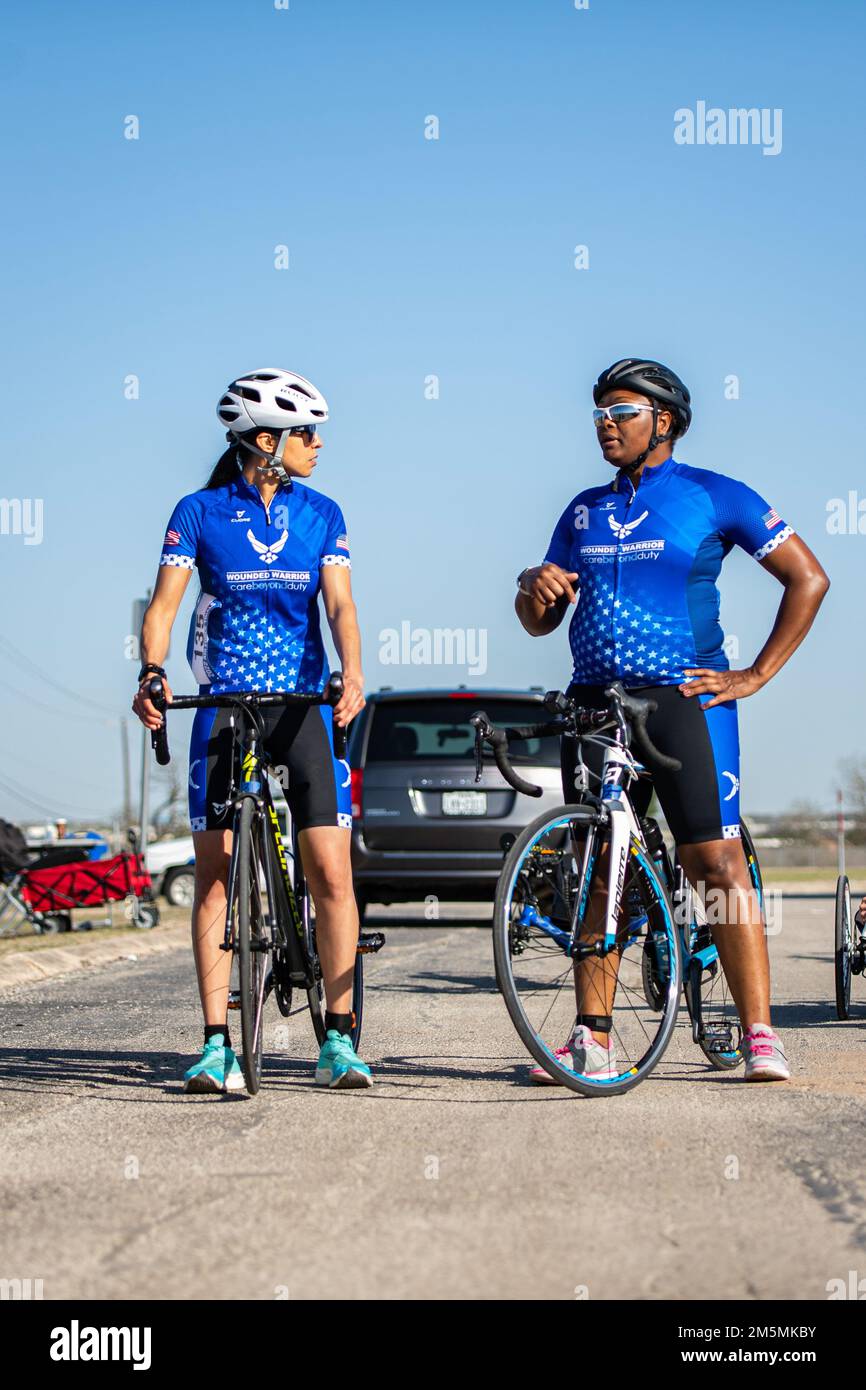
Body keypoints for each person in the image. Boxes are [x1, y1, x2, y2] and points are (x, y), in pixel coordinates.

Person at [515, 358, 830, 1083]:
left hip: (685, 702)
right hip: (595, 704)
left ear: (664, 421)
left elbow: (808, 578)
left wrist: (755, 674)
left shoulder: (713, 496)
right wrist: (535, 587)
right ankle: (592, 1037)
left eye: (620, 412)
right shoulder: (582, 510)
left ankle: (759, 1034)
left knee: (715, 864)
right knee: (599, 867)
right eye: (597, 414)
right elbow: (537, 621)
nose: (605, 425)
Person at [132, 369, 371, 1092]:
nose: (318, 444)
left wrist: (351, 672)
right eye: (306, 433)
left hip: (300, 707)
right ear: (264, 442)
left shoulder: (322, 512)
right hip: (222, 707)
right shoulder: (199, 512)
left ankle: (338, 1037)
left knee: (330, 870)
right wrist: (151, 671)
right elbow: (165, 605)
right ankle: (215, 1044)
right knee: (211, 879)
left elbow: (340, 606)